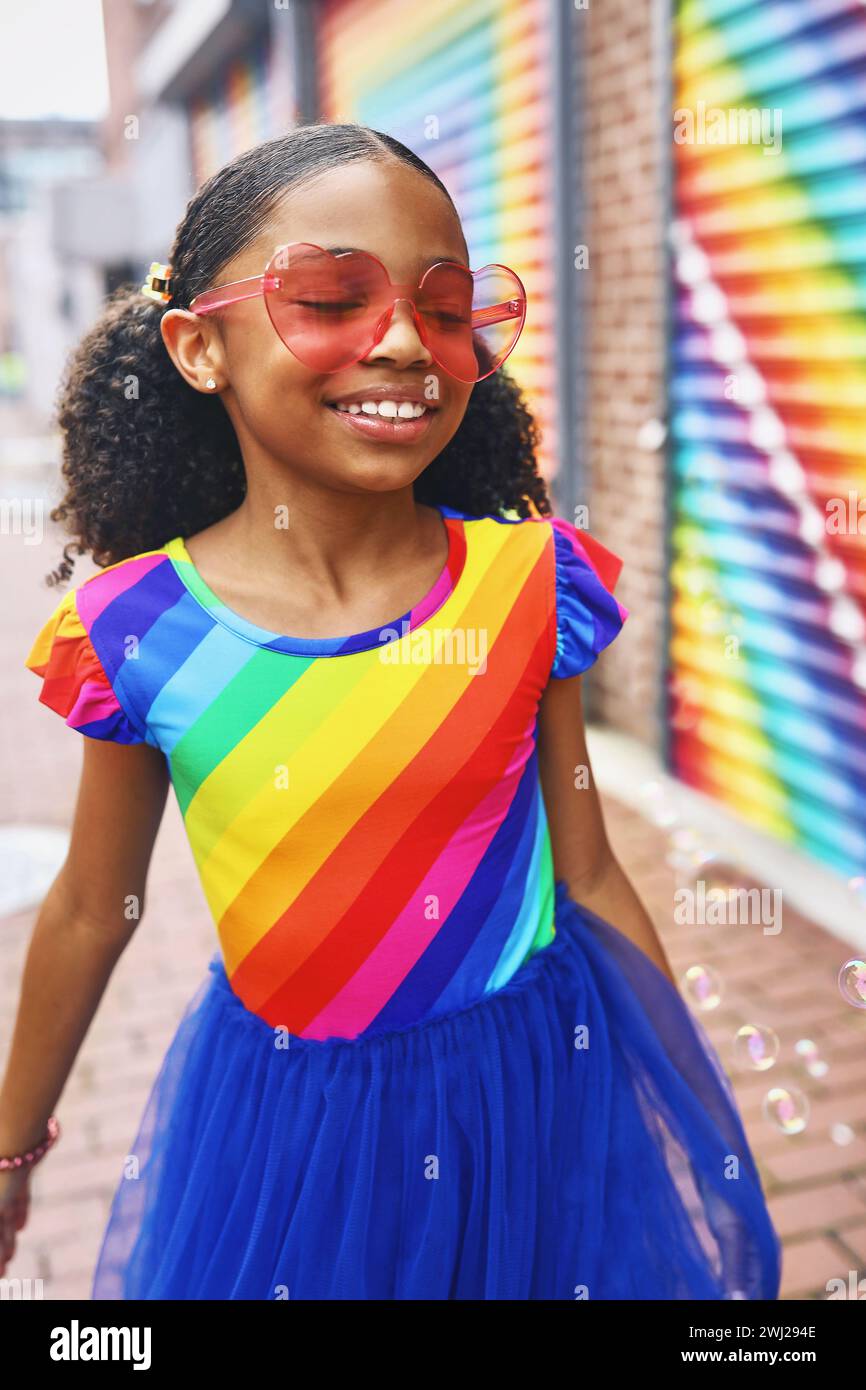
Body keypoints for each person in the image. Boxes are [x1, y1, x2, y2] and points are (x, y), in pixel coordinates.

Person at [0, 121, 781, 1300]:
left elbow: (592, 874)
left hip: (534, 1087)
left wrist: (689, 1099)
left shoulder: (529, 584)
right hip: (292, 1128)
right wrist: (12, 1148)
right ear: (197, 346)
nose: (406, 343)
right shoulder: (138, 631)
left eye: (446, 306)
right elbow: (89, 912)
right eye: (329, 296)